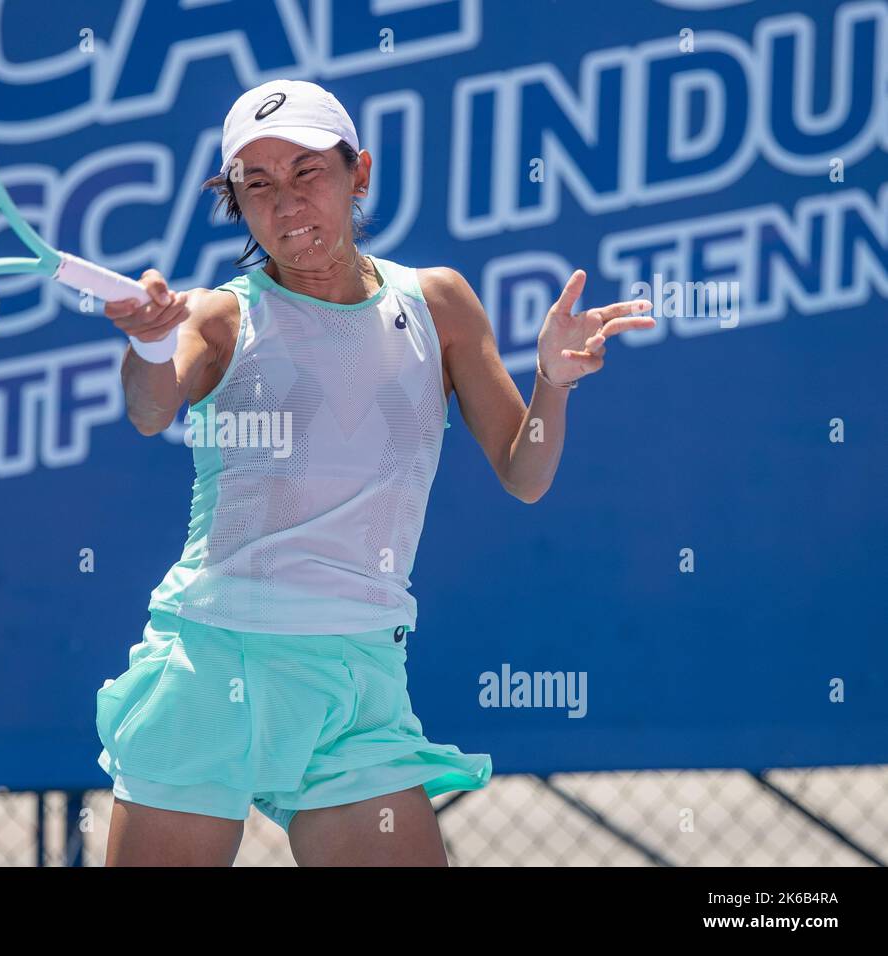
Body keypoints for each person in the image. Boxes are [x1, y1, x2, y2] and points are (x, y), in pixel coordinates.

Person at [97, 79, 655, 866]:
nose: (285, 205)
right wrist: (152, 344)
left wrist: (552, 385)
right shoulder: (217, 317)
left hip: (357, 677)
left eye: (305, 173)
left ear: (358, 173)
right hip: (213, 664)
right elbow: (150, 409)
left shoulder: (441, 304)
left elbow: (524, 470)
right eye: (257, 186)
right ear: (235, 201)